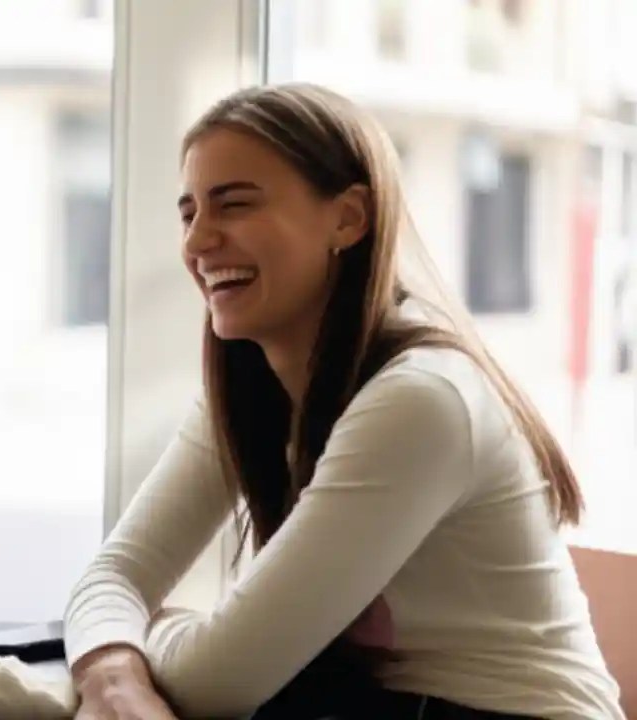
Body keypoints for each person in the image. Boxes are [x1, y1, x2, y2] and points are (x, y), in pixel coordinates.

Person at [64, 84, 623, 720]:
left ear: (349, 218)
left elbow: (215, 680)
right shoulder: (251, 387)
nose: (198, 243)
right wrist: (114, 674)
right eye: (189, 214)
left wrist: (150, 626)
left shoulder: (421, 401)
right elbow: (111, 578)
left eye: (236, 205)